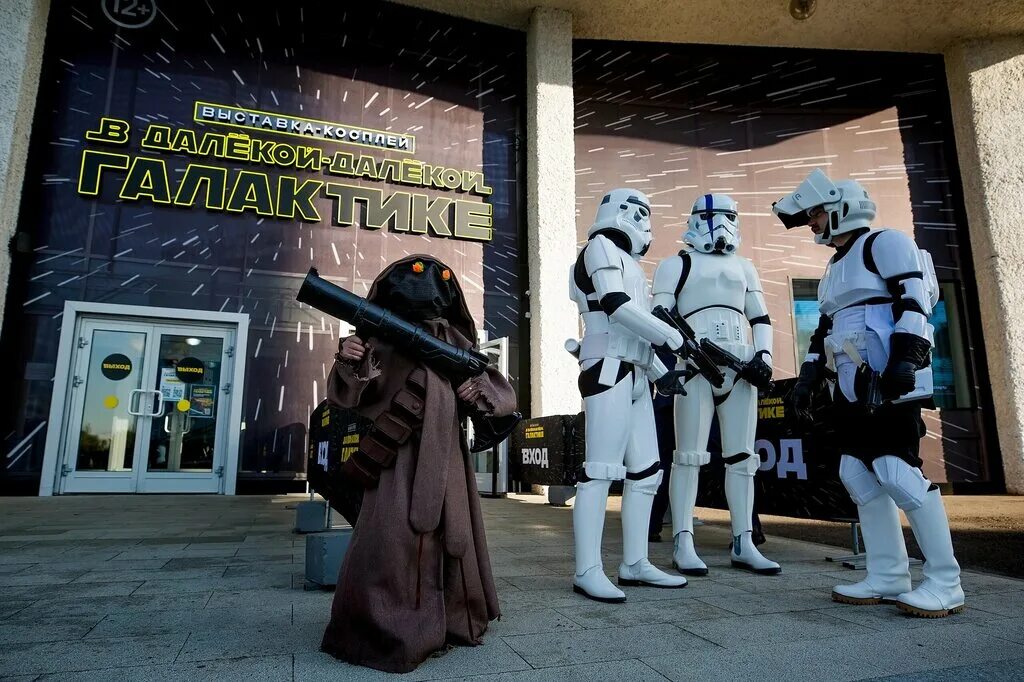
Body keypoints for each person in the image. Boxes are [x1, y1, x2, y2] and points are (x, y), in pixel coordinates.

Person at [773, 169, 964, 618]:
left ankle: (946, 581)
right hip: (850, 386)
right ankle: (887, 574)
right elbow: (825, 328)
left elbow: (915, 301)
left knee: (897, 472)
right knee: (857, 474)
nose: (812, 222)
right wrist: (807, 378)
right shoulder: (835, 267)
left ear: (840, 206)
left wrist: (907, 357)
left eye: (816, 213)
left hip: (888, 379)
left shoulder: (885, 243)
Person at [320, 255, 518, 672]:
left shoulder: (456, 340)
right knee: (391, 538)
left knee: (453, 535)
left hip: (446, 454)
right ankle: (388, 627)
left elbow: (495, 390)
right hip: (396, 454)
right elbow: (347, 397)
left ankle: (454, 619)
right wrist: (349, 359)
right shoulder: (379, 335)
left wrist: (476, 390)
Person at [567, 188, 689, 603]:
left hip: (636, 371)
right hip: (607, 368)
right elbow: (615, 305)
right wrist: (671, 337)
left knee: (647, 472)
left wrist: (660, 371)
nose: (644, 223)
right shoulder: (599, 247)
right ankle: (587, 569)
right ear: (621, 212)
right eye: (639, 213)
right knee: (600, 470)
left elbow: (635, 331)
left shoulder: (630, 263)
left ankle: (635, 562)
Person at [652, 193, 780, 576]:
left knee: (743, 458)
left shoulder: (745, 267)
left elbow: (760, 317)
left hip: (741, 367)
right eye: (712, 215)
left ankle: (743, 540)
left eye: (728, 215)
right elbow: (660, 314)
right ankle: (683, 539)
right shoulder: (676, 264)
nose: (721, 223)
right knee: (688, 457)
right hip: (695, 366)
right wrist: (685, 347)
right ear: (695, 218)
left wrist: (764, 357)